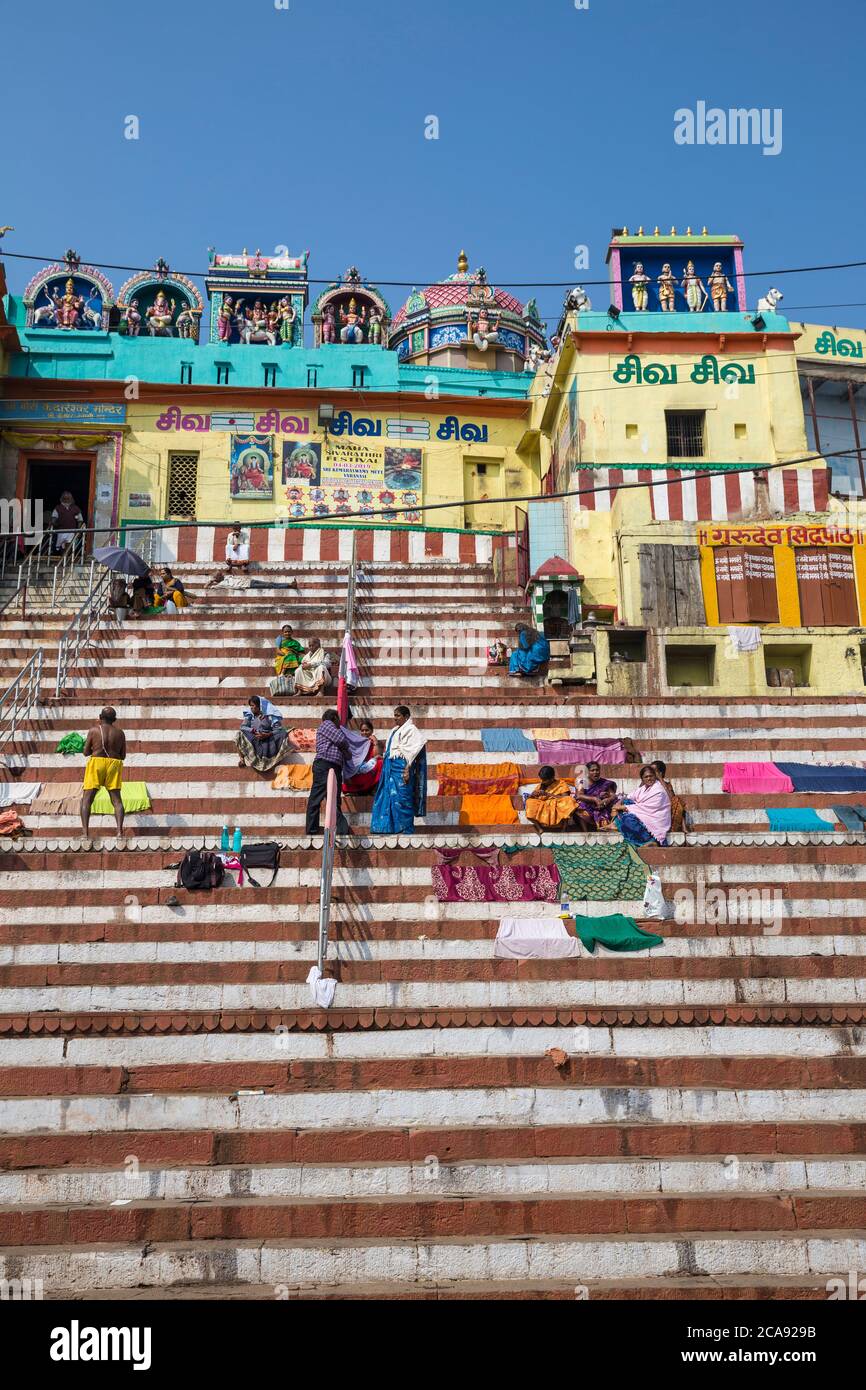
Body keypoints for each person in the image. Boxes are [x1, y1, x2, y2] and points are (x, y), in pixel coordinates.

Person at [370, 706, 427, 834]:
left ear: (406, 717)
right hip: (390, 768)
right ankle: (390, 828)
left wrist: (407, 769)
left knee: (403, 799)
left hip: (402, 768)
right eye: (394, 715)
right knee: (388, 797)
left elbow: (415, 750)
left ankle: (406, 829)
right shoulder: (394, 730)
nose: (395, 718)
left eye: (398, 715)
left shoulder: (412, 730)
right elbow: (391, 750)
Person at [81, 706, 126, 838]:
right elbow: (122, 755)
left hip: (97, 763)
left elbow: (85, 752)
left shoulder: (94, 730)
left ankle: (85, 832)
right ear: (115, 719)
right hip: (114, 764)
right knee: (117, 800)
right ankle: (119, 831)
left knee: (86, 799)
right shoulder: (120, 733)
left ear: (100, 717)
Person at [305, 710, 352, 836]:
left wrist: (344, 747)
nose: (340, 722)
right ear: (334, 718)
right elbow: (342, 740)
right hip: (325, 765)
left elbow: (348, 754)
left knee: (334, 800)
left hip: (333, 767)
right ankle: (312, 829)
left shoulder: (333, 729)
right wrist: (344, 746)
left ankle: (341, 829)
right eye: (338, 719)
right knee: (317, 798)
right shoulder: (327, 724)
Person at [611, 765, 672, 847]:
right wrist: (620, 803)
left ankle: (651, 840)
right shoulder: (643, 788)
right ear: (642, 779)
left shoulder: (659, 790)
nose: (649, 778)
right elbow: (629, 797)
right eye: (646, 777)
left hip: (654, 820)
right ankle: (616, 823)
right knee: (626, 802)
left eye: (651, 776)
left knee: (628, 820)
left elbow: (646, 808)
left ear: (655, 776)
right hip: (643, 814)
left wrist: (624, 807)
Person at [236, 695, 288, 772]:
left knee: (283, 734)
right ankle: (241, 759)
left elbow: (279, 729)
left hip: (268, 740)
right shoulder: (250, 716)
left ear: (259, 706)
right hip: (255, 738)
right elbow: (242, 727)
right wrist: (252, 730)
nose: (251, 708)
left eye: (253, 705)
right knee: (239, 734)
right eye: (250, 706)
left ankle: (276, 761)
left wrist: (268, 734)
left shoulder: (270, 716)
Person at [524, 765, 579, 831]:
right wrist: (532, 795)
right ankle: (539, 828)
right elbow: (532, 799)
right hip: (544, 806)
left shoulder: (561, 784)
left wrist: (548, 794)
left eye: (545, 780)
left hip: (557, 806)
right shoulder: (540, 785)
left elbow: (565, 798)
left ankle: (564, 828)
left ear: (552, 778)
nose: (543, 781)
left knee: (569, 800)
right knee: (529, 802)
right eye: (542, 779)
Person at [572, 760, 618, 832]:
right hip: (587, 806)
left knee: (617, 803)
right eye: (592, 770)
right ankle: (585, 832)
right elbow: (579, 795)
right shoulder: (583, 781)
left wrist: (607, 800)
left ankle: (606, 827)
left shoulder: (604, 782)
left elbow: (613, 796)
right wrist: (594, 799)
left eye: (597, 770)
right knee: (579, 805)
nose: (595, 772)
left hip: (602, 806)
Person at [342, 718, 382, 795]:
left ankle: (372, 789)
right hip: (358, 769)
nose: (364, 732)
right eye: (362, 730)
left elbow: (377, 756)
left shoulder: (374, 742)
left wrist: (375, 742)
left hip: (370, 769)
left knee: (381, 763)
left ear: (372, 731)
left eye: (367, 730)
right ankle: (356, 790)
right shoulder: (357, 742)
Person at [651, 759, 687, 833]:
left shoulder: (667, 785)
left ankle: (684, 828)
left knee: (678, 800)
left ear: (660, 773)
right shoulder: (648, 784)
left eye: (653, 771)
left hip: (666, 814)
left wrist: (660, 779)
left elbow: (672, 798)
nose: (650, 773)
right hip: (653, 814)